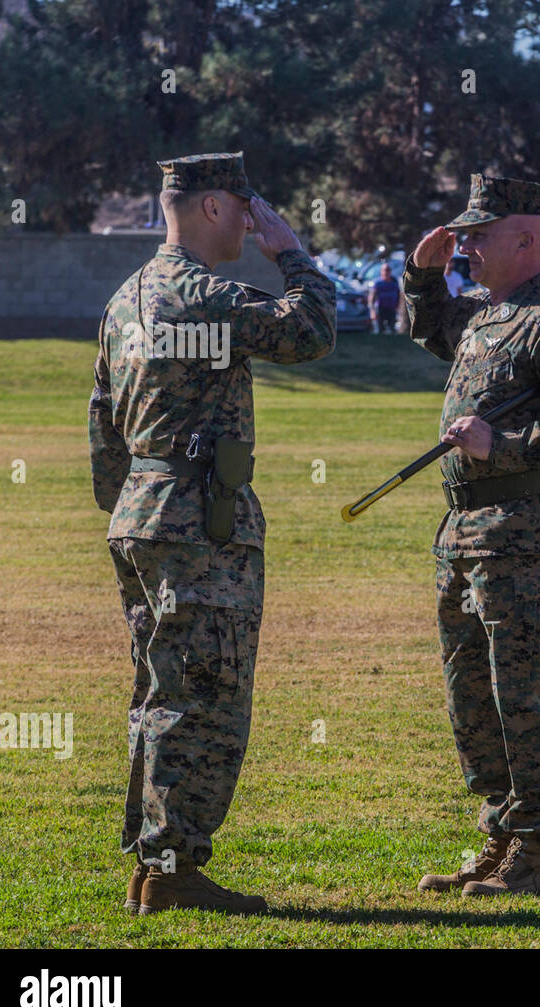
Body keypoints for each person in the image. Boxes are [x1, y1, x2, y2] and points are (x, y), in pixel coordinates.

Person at [88, 152, 336, 915]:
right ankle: (172, 867)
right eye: (246, 203)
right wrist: (292, 252)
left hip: (142, 512)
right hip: (198, 520)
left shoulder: (126, 299)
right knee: (206, 690)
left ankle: (155, 859)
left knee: (161, 690)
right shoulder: (204, 296)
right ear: (215, 209)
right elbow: (314, 330)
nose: (255, 216)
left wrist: (131, 504)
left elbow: (103, 424)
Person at [404, 173, 540, 897]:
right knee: (473, 695)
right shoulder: (486, 317)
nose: (465, 245)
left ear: (526, 239)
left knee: (524, 693)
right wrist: (422, 279)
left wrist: (505, 444)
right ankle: (498, 833)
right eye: (461, 233)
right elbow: (436, 332)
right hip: (462, 531)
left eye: (479, 234)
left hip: (524, 534)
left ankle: (531, 848)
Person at [368, 262, 400, 332]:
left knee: (392, 329)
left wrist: (398, 306)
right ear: (381, 272)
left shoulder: (394, 282)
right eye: (384, 270)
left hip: (391, 309)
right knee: (379, 329)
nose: (386, 272)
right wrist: (372, 311)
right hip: (380, 309)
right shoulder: (377, 283)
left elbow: (398, 294)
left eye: (388, 270)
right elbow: (371, 298)